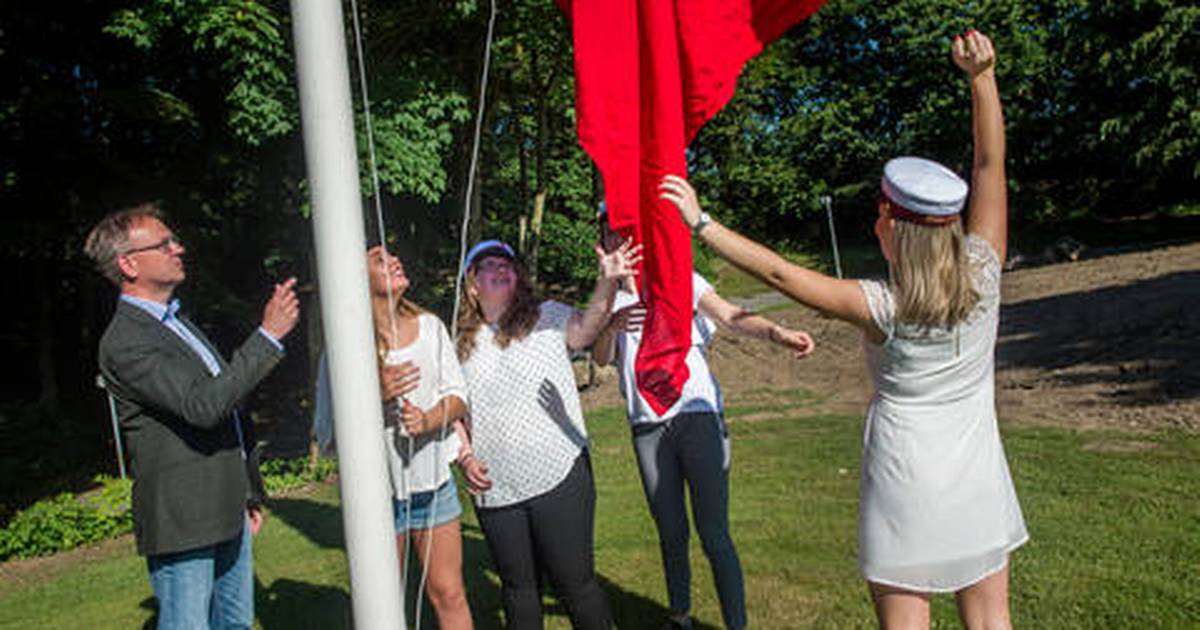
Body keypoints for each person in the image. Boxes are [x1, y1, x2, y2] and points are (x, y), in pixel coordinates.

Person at [660, 31, 1027, 630]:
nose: (875, 216)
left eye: (881, 210)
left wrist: (702, 222)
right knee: (992, 622)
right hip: (979, 480)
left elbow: (781, 273)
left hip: (906, 486)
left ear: (892, 226)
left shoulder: (881, 304)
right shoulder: (983, 272)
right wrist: (981, 78)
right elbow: (990, 164)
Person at [591, 209, 815, 630]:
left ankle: (736, 623)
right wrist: (612, 325)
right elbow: (602, 359)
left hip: (697, 416)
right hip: (648, 427)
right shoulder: (608, 300)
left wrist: (777, 333)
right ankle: (680, 617)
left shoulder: (682, 279)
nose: (620, 238)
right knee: (671, 533)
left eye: (626, 230)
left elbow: (731, 316)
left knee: (715, 534)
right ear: (603, 242)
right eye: (611, 232)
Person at [84, 203, 299, 629]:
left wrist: (246, 492)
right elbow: (203, 406)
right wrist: (267, 336)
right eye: (164, 244)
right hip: (184, 519)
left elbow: (228, 408)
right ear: (128, 263)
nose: (178, 248)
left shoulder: (177, 323)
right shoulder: (125, 341)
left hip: (226, 507)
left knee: (234, 625)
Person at [455, 238, 640, 630]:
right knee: (519, 592)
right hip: (495, 487)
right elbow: (453, 409)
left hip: (559, 473)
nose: (502, 267)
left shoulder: (547, 316)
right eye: (489, 264)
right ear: (472, 284)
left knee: (576, 586)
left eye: (508, 263)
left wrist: (606, 282)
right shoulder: (459, 345)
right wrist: (465, 456)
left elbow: (587, 329)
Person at [313, 245, 474, 629]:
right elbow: (327, 433)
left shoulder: (431, 327)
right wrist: (372, 394)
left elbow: (459, 397)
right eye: (379, 260)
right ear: (356, 280)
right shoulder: (342, 353)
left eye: (394, 256)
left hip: (434, 487)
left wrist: (431, 418)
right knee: (380, 604)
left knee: (448, 593)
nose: (396, 260)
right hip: (375, 500)